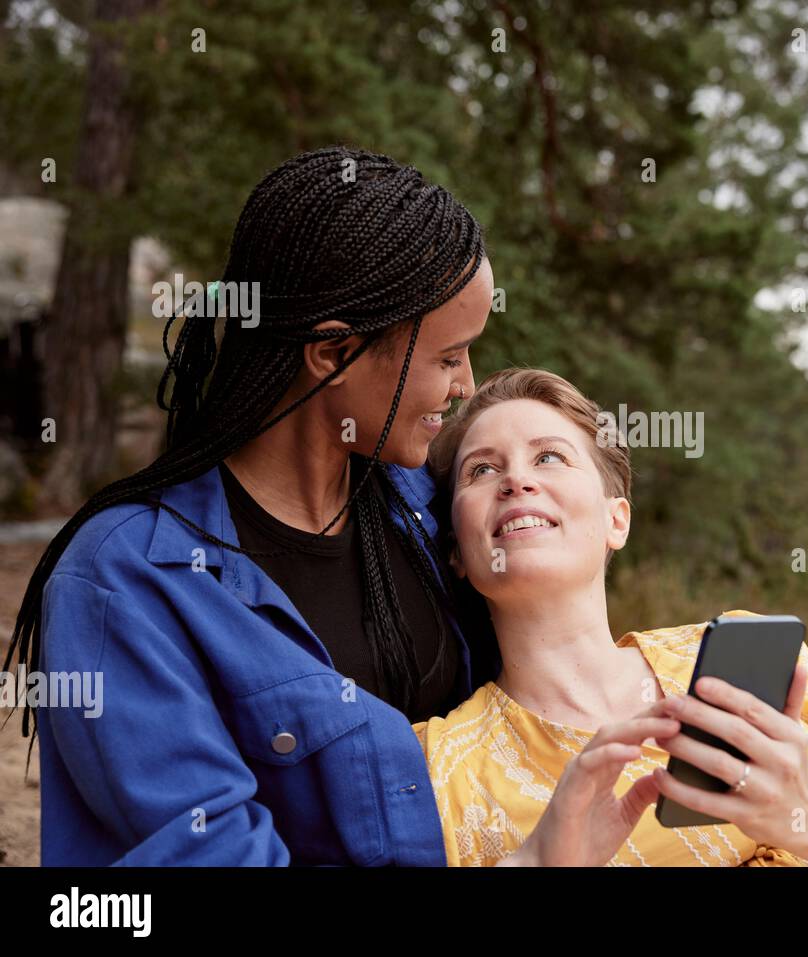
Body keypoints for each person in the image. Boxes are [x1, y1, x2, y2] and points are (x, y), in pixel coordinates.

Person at [6, 146, 500, 865]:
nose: (465, 385)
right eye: (449, 357)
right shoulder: (126, 583)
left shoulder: (426, 510)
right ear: (332, 354)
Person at [416, 368, 808, 866]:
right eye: (482, 471)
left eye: (550, 457)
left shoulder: (744, 657)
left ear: (616, 521)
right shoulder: (441, 768)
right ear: (457, 554)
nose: (517, 479)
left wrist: (806, 815)